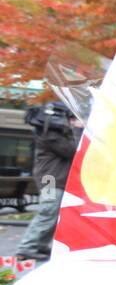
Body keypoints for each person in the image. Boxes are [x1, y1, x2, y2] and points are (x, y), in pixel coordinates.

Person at [16, 101, 78, 262]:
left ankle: (39, 246)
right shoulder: (51, 134)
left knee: (52, 212)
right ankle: (27, 247)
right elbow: (72, 150)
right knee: (48, 211)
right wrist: (77, 129)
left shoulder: (50, 132)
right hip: (51, 179)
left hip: (52, 178)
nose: (72, 121)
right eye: (71, 118)